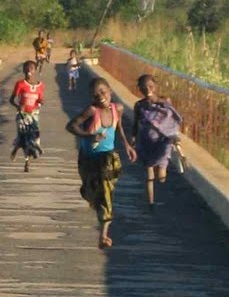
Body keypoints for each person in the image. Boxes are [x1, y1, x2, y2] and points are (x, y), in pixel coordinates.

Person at [67, 76, 136, 249]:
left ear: (110, 92)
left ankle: (104, 234)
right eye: (96, 95)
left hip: (107, 156)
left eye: (103, 92)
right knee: (92, 195)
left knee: (106, 192)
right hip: (88, 159)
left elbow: (118, 125)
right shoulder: (91, 111)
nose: (100, 97)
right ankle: (92, 198)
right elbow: (71, 126)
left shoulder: (117, 108)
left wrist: (127, 144)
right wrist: (89, 136)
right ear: (92, 98)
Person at [130, 73, 184, 209]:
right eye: (144, 88)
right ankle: (151, 203)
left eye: (150, 86)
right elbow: (135, 123)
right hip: (145, 142)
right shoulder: (139, 105)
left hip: (163, 141)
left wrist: (174, 137)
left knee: (161, 177)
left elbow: (171, 118)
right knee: (149, 174)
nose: (147, 90)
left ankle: (162, 175)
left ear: (155, 86)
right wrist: (133, 139)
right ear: (140, 90)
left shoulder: (165, 101)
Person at [9, 59, 45, 171]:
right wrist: (17, 106)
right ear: (24, 70)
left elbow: (40, 99)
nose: (29, 70)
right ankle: (25, 160)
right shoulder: (20, 84)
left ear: (35, 71)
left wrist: (41, 102)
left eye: (32, 68)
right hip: (22, 114)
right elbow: (11, 99)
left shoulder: (40, 86)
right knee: (23, 136)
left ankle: (24, 154)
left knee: (34, 136)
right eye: (27, 68)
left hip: (34, 114)